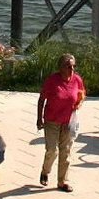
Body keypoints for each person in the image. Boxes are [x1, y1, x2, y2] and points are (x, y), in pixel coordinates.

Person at [35, 52, 85, 191]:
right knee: (52, 150)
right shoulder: (52, 81)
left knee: (66, 151)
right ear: (61, 67)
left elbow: (81, 94)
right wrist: (39, 118)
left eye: (74, 66)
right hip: (52, 120)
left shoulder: (77, 80)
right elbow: (41, 100)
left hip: (69, 121)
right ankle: (45, 171)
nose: (72, 69)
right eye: (69, 66)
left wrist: (78, 104)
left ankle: (62, 181)